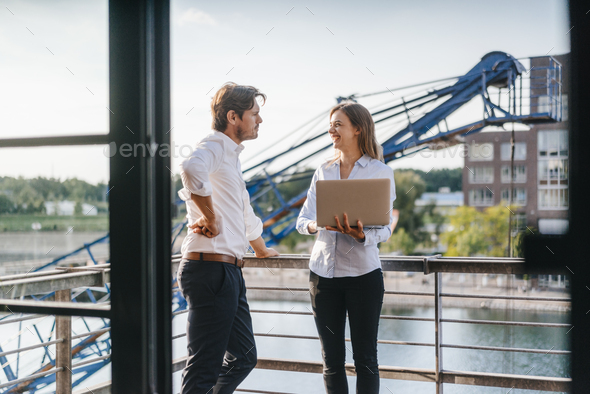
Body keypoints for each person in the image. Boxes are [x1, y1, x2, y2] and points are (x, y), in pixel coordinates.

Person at [176, 82, 279, 394]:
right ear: (233, 117)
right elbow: (190, 167)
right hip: (211, 271)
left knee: (244, 357)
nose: (259, 120)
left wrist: (260, 249)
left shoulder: (230, 157)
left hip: (228, 272)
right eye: (254, 114)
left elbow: (242, 210)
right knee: (203, 369)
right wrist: (209, 217)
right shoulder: (215, 145)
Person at [296, 102, 396, 394]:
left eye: (338, 124)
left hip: (364, 277)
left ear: (357, 129)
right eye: (331, 125)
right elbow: (302, 221)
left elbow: (386, 228)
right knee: (332, 362)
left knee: (365, 361)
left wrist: (363, 235)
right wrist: (319, 225)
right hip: (322, 278)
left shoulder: (380, 171)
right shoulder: (323, 171)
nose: (331, 130)